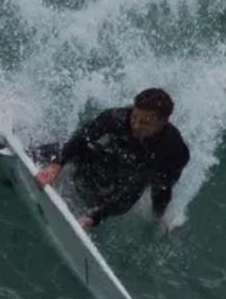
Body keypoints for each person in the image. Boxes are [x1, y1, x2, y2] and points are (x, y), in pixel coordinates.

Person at [32, 88, 190, 228]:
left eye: (145, 122)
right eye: (135, 118)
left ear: (164, 121)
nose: (136, 125)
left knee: (141, 180)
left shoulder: (174, 150)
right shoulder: (117, 117)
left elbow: (163, 188)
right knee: (82, 147)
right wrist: (56, 165)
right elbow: (81, 138)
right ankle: (27, 153)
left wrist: (158, 216)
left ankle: (90, 218)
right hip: (97, 169)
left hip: (115, 194)